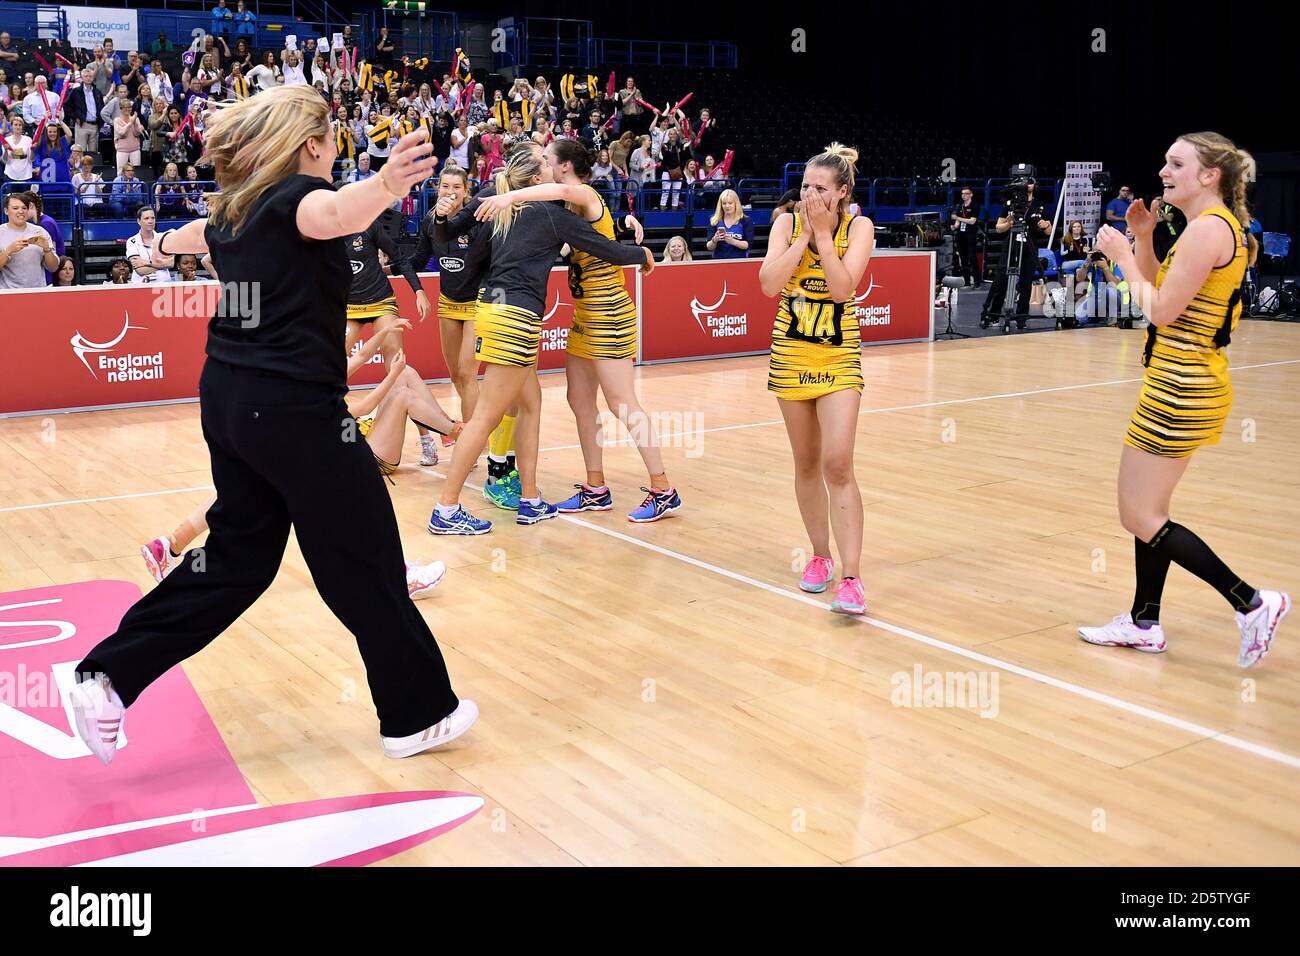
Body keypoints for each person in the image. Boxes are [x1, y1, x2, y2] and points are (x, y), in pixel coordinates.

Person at [66, 85, 477, 768]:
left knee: (239, 556)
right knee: (366, 559)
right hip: (291, 410)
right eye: (332, 138)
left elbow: (181, 239)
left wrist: (161, 242)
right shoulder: (296, 201)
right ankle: (417, 715)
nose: (336, 148)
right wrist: (385, 181)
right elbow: (338, 209)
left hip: (227, 398)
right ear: (312, 144)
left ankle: (107, 678)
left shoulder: (234, 209)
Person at [1078, 132, 1288, 667]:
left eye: (1176, 163)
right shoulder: (1212, 228)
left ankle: (1252, 602)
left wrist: (1122, 255)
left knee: (1137, 514)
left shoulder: (1207, 231)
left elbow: (1159, 311)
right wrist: (1144, 241)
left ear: (1209, 175)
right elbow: (1161, 291)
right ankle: (1144, 621)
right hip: (1185, 379)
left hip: (1180, 385)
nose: (1163, 171)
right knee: (1151, 511)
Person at [428, 142, 655, 534]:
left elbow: (467, 264)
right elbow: (608, 251)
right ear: (537, 178)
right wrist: (643, 255)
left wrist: (445, 224)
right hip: (516, 318)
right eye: (547, 164)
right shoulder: (551, 214)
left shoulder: (504, 215)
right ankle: (446, 509)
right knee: (486, 416)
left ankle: (530, 499)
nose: (553, 169)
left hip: (493, 312)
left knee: (531, 403)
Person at [475, 138, 683, 523]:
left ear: (565, 166)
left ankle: (663, 488)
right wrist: (625, 220)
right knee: (579, 401)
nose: (544, 167)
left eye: (548, 160)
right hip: (584, 314)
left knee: (622, 403)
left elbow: (570, 194)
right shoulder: (566, 208)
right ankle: (595, 487)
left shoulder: (580, 192)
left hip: (609, 311)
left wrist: (509, 197)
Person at [758, 144, 874, 615]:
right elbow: (768, 284)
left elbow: (844, 289)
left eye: (819, 188)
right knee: (805, 464)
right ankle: (819, 556)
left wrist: (825, 238)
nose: (808, 193)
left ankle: (852, 577)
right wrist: (804, 237)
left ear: (842, 192)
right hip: (790, 356)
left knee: (838, 464)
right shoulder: (786, 224)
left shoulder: (859, 227)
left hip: (838, 358)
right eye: (805, 186)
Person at [341, 209, 447, 467]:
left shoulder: (369, 226)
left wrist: (418, 291)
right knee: (332, 361)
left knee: (397, 367)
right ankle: (342, 422)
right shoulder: (326, 236)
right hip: (349, 307)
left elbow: (400, 258)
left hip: (380, 300)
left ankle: (427, 437)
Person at [409, 166, 488, 451]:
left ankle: (472, 444)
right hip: (448, 303)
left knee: (468, 374)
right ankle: (475, 430)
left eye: (457, 186)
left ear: (466, 191)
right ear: (437, 189)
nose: (450, 192)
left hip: (477, 303)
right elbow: (418, 260)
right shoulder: (431, 221)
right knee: (456, 375)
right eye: (445, 186)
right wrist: (384, 264)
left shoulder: (477, 219)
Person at [981, 178, 1051, 322]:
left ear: (1035, 186)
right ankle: (994, 314)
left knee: (1026, 282)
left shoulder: (1039, 205)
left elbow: (1049, 231)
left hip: (1029, 245)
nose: (1027, 185)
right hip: (1011, 243)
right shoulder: (1010, 204)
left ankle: (1021, 317)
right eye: (1025, 182)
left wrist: (1045, 225)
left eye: (1030, 182)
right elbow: (998, 228)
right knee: (1001, 279)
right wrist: (1009, 223)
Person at [0, 192, 59, 289]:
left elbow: (53, 268)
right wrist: (8, 251)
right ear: (6, 211)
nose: (21, 211)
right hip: (8, 293)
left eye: (24, 208)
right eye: (15, 208)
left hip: (38, 292)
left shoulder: (40, 231)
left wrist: (47, 249)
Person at [126, 206, 174, 283]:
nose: (150, 221)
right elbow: (140, 270)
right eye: (146, 218)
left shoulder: (162, 238)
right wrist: (163, 264)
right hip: (141, 285)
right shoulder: (131, 241)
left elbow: (171, 263)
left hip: (164, 283)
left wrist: (145, 262)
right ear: (139, 221)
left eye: (153, 218)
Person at [706, 189, 753, 259]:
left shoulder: (745, 220)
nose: (727, 206)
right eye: (724, 203)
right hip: (719, 261)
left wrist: (733, 241)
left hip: (739, 261)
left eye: (730, 203)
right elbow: (709, 247)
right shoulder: (714, 220)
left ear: (736, 204)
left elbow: (748, 245)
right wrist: (714, 240)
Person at [950, 186, 982, 287]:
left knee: (972, 257)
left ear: (971, 194)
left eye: (966, 193)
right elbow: (957, 222)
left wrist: (958, 217)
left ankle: (977, 281)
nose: (963, 195)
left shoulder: (975, 206)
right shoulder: (960, 206)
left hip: (971, 234)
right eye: (962, 194)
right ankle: (967, 281)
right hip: (961, 234)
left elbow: (972, 221)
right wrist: (954, 226)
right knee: (963, 258)